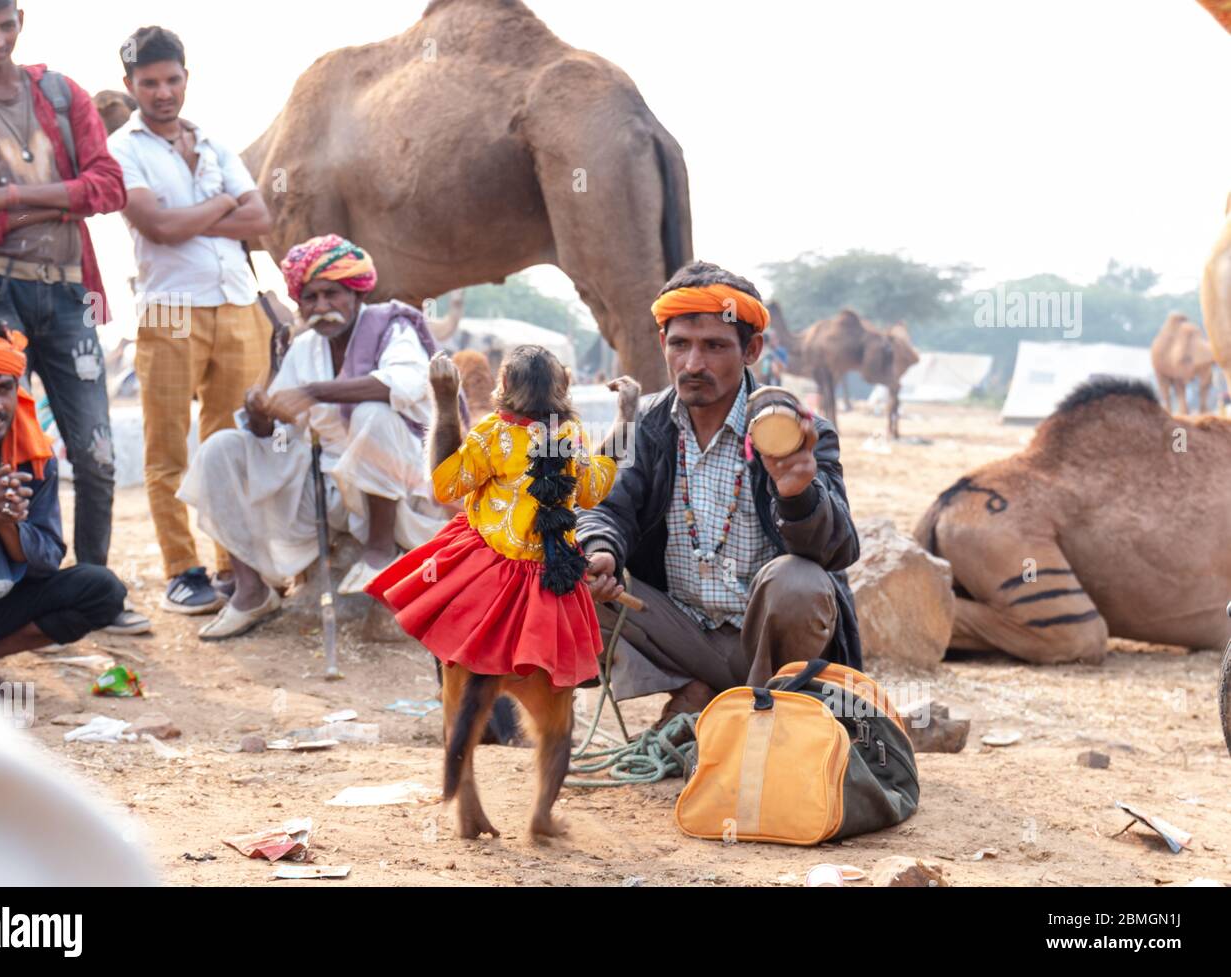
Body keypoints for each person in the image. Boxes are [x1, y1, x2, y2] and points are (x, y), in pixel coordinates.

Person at [0, 0, 145, 635]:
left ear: (21, 21)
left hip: (69, 292)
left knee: (96, 453)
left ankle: (85, 580)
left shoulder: (60, 94)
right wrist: (60, 204)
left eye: (6, 25)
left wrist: (15, 197)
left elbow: (109, 186)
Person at [365, 347, 636, 839]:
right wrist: (626, 415)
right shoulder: (571, 438)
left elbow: (446, 485)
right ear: (567, 386)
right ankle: (542, 815)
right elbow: (596, 487)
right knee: (557, 728)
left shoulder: (493, 433)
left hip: (485, 587)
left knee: (462, 699)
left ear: (504, 382)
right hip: (547, 593)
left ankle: (464, 801)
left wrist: (446, 404)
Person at [578, 261, 862, 724]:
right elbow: (604, 507)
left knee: (800, 583)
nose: (693, 365)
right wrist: (600, 550)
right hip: (678, 634)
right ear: (662, 345)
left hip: (766, 643)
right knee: (570, 575)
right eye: (680, 345)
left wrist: (798, 495)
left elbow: (839, 549)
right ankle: (696, 691)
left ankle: (762, 709)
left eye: (714, 347)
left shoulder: (797, 432)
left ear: (751, 349)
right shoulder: (642, 424)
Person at [176, 234, 451, 639]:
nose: (321, 307)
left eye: (331, 295)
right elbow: (281, 433)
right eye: (310, 298)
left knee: (375, 413)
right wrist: (260, 414)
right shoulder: (304, 347)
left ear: (355, 294)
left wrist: (314, 392)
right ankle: (252, 591)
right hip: (325, 487)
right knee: (221, 447)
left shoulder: (391, 326)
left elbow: (407, 383)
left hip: (397, 489)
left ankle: (379, 553)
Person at [107, 25, 273, 615]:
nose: (162, 92)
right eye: (148, 83)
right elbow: (159, 228)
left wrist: (198, 213)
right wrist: (223, 204)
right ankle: (183, 570)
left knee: (230, 443)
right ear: (130, 86)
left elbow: (260, 217)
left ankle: (235, 565)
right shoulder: (123, 150)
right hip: (171, 307)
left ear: (186, 77)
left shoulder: (215, 143)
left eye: (171, 79)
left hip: (236, 301)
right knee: (168, 449)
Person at [0, 315, 125, 675]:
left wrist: (7, 523)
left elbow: (47, 561)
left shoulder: (35, 461)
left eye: (4, 389)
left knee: (100, 588)